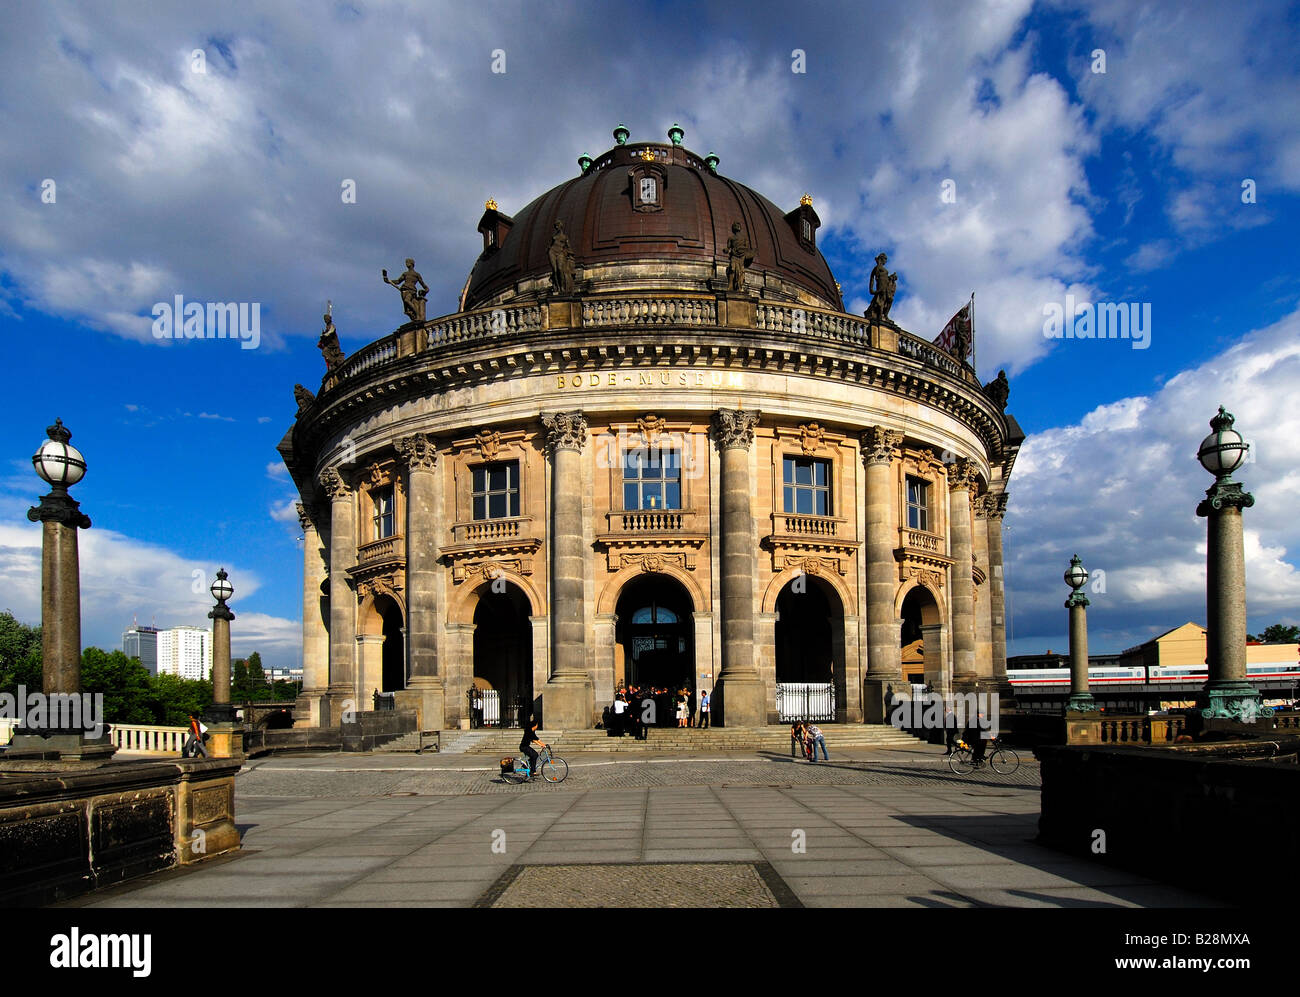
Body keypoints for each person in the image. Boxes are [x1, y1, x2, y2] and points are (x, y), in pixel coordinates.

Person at [519, 713, 546, 780]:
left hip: (525, 746)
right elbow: (534, 740)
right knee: (535, 755)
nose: (537, 726)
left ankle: (527, 766)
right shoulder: (529, 731)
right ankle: (533, 771)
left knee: (533, 755)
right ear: (534, 725)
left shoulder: (532, 731)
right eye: (537, 725)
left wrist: (543, 744)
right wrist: (541, 745)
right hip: (524, 747)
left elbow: (536, 739)